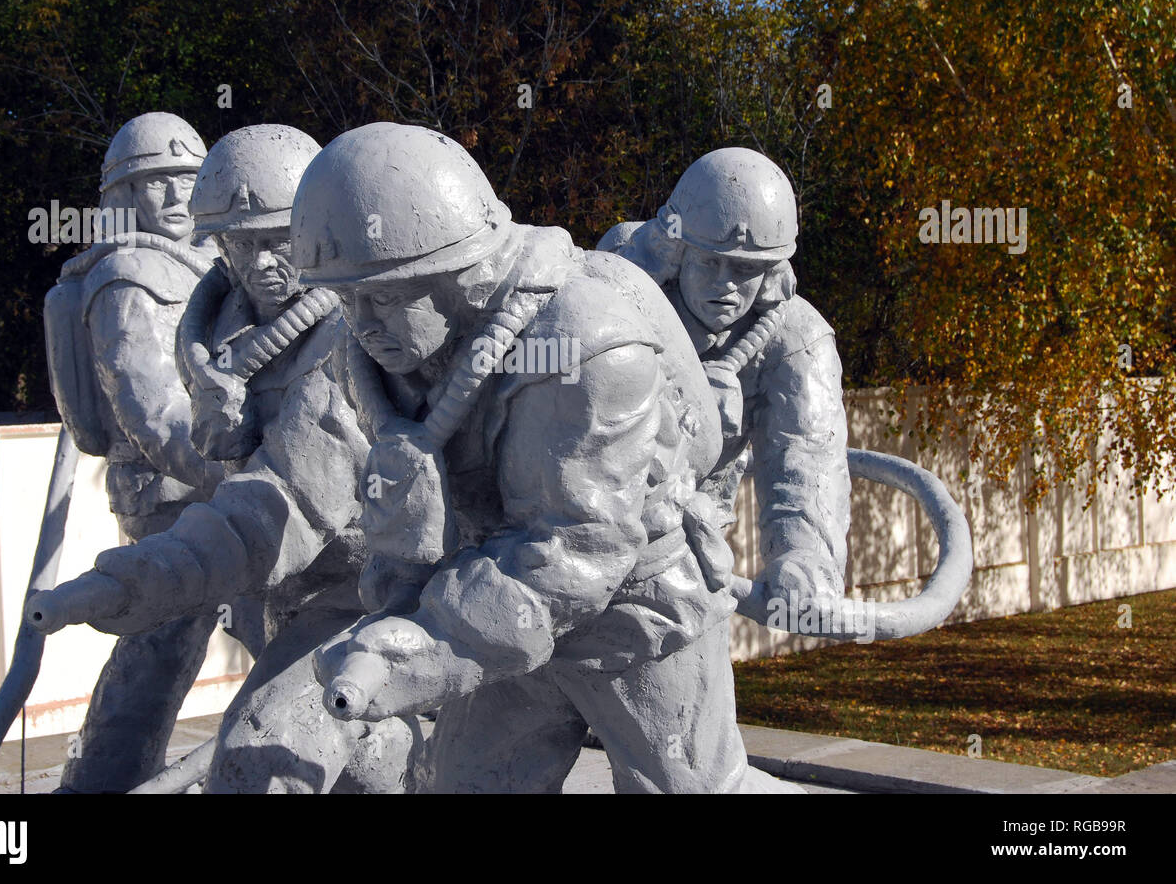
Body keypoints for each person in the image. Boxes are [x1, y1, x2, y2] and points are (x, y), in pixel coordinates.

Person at [303, 122, 779, 793]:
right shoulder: (380, 355)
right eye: (347, 299)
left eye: (383, 296)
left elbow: (576, 550)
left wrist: (418, 652)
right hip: (491, 612)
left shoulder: (589, 347)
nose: (362, 323)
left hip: (638, 612)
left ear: (458, 275)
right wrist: (396, 618)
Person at [33, 123, 419, 793]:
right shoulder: (159, 287)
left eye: (279, 240)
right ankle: (103, 778)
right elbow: (154, 414)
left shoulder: (356, 320)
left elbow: (297, 483)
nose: (265, 263)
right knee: (172, 657)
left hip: (342, 566)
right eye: (243, 245)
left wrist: (243, 482)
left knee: (285, 735)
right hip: (207, 519)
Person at [44, 113, 255, 793]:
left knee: (178, 643)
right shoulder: (127, 276)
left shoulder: (206, 265)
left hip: (216, 488)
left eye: (183, 182)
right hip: (173, 497)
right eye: (152, 184)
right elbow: (145, 409)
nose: (171, 198)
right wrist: (234, 472)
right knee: (167, 643)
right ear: (123, 198)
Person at [598, 146, 851, 620]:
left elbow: (807, 457)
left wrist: (804, 562)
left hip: (685, 553)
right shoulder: (625, 277)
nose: (726, 285)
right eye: (710, 262)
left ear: (773, 270)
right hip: (574, 522)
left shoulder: (795, 339)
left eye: (745, 270)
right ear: (677, 250)